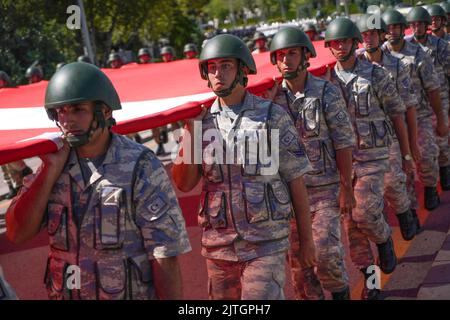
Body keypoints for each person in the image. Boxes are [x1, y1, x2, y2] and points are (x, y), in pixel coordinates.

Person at [5, 62, 191, 300]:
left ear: (104, 112)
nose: (67, 120)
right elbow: (17, 233)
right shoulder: (53, 165)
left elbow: (164, 254)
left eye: (78, 110)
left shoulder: (139, 165)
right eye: (60, 111)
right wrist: (48, 171)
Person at [172, 34, 316, 300]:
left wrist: (306, 242)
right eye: (212, 67)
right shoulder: (199, 122)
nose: (218, 73)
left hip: (265, 241)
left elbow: (295, 179)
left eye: (226, 65)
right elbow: (184, 183)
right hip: (218, 246)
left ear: (242, 70)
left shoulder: (271, 115)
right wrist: (190, 135)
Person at [269, 26, 355, 300]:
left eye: (292, 53)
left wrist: (346, 188)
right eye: (280, 55)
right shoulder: (268, 100)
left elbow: (342, 142)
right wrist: (266, 106)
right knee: (301, 274)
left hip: (324, 191)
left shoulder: (325, 91)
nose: (286, 60)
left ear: (306, 56)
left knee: (327, 256)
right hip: (287, 200)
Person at [326, 17, 401, 300]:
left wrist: (405, 152)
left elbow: (396, 111)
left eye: (345, 41)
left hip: (374, 156)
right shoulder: (325, 83)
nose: (341, 46)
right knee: (353, 231)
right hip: (343, 163)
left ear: (355, 43)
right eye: (335, 42)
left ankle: (383, 239)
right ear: (329, 47)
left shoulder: (376, 73)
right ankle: (372, 282)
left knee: (365, 213)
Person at [356, 14, 418, 241]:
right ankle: (386, 237)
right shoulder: (355, 63)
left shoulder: (395, 64)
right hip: (362, 142)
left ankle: (406, 214)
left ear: (381, 36)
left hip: (389, 133)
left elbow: (406, 107)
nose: (368, 39)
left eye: (372, 34)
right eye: (364, 35)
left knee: (394, 181)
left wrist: (409, 147)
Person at [382, 9, 447, 211]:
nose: (392, 31)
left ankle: (430, 188)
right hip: (394, 120)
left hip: (421, 115)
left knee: (426, 154)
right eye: (389, 28)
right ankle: (409, 208)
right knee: (402, 165)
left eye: (396, 27)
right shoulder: (379, 53)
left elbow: (433, 89)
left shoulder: (418, 53)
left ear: (403, 29)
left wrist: (441, 119)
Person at [406, 6, 450, 192]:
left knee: (442, 140)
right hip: (418, 104)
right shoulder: (407, 46)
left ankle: (445, 170)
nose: (417, 28)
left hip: (441, 97)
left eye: (420, 24)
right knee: (427, 146)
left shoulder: (440, 46)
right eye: (413, 25)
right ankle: (432, 182)